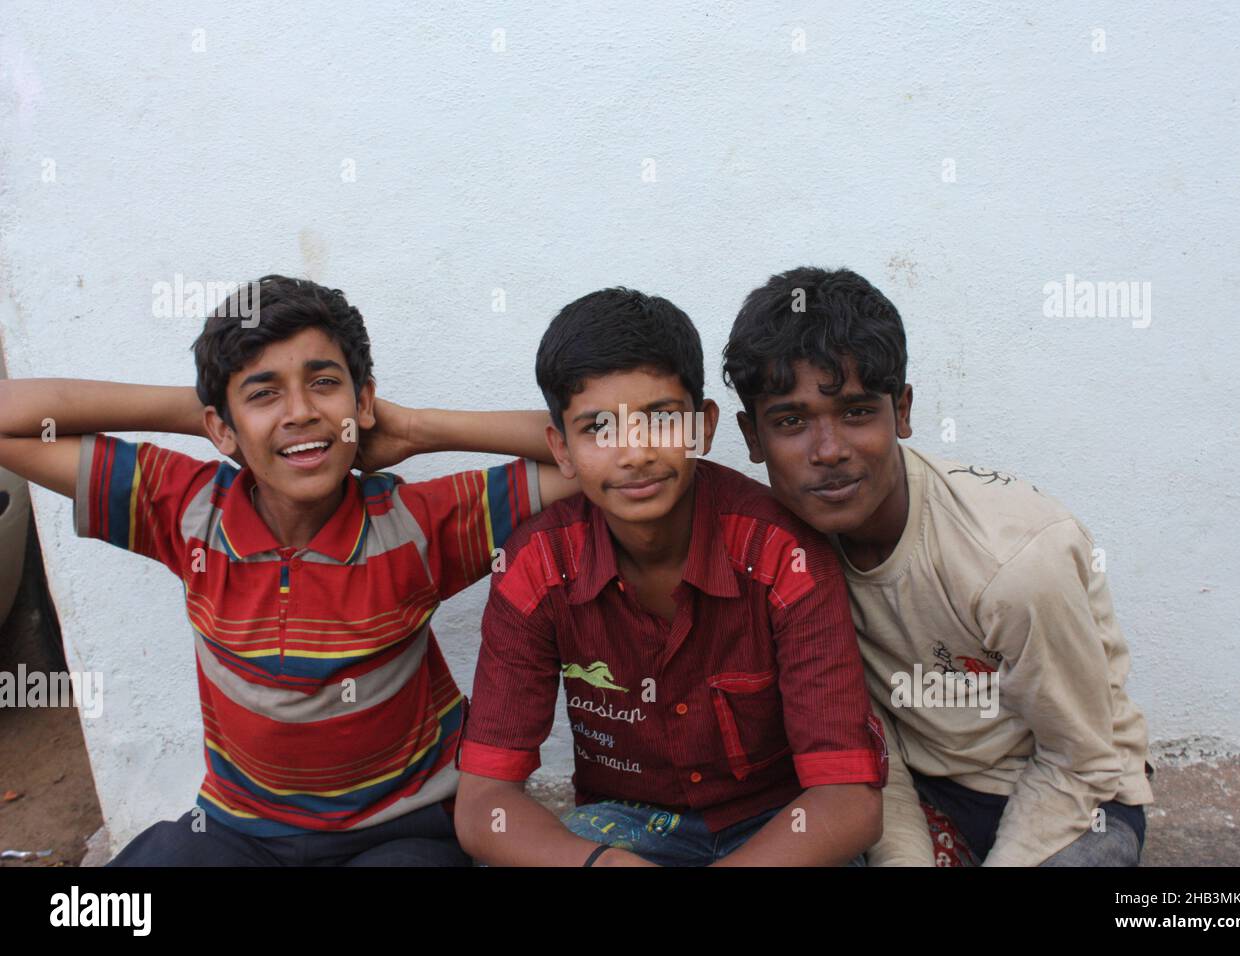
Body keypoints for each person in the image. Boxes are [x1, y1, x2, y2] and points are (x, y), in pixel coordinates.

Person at [0, 275, 577, 866]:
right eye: (265, 393)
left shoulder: (417, 524)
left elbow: (595, 452)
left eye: (324, 384)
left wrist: (414, 428)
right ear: (220, 428)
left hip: (405, 828)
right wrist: (204, 413)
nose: (300, 412)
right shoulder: (185, 508)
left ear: (363, 403)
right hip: (239, 830)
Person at [722, 266, 1154, 866]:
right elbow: (872, 742)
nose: (829, 452)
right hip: (913, 786)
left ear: (901, 411)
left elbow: (1081, 755)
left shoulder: (1014, 557)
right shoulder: (786, 552)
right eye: (791, 422)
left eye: (855, 412)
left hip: (1066, 790)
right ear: (752, 437)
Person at [453, 287, 888, 867]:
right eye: (599, 429)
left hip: (780, 825)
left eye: (660, 420)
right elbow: (485, 806)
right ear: (561, 448)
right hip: (623, 824)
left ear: (703, 428)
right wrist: (598, 864)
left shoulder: (785, 556)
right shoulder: (536, 566)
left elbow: (847, 802)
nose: (634, 454)